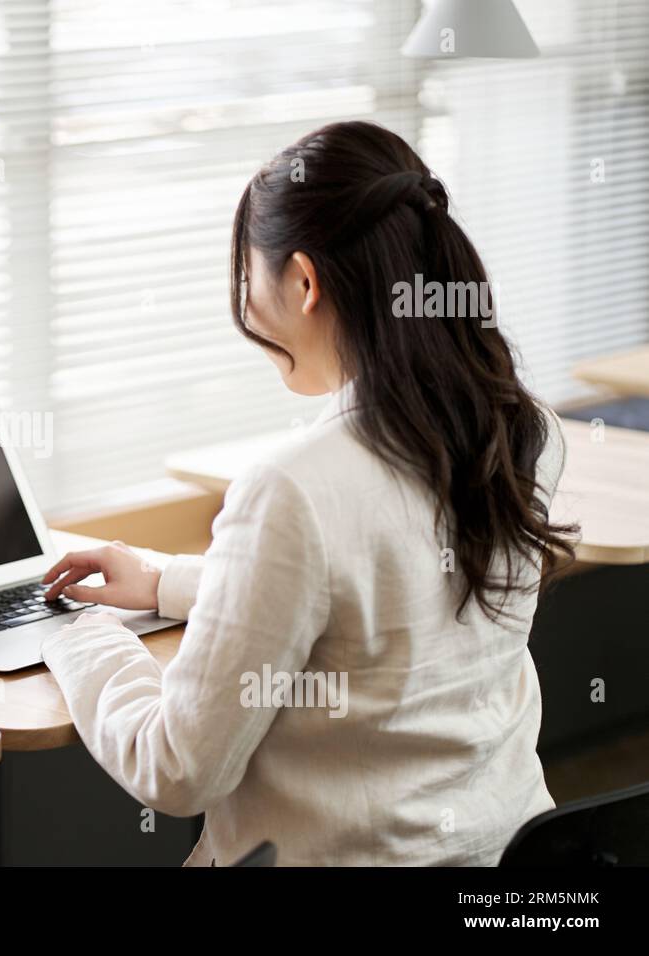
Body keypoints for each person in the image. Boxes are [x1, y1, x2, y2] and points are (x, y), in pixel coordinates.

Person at [40, 120, 576, 866]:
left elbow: (177, 769)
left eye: (249, 276)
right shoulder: (523, 432)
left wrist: (77, 640)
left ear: (303, 280)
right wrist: (164, 582)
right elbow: (373, 599)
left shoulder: (294, 487)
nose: (246, 299)